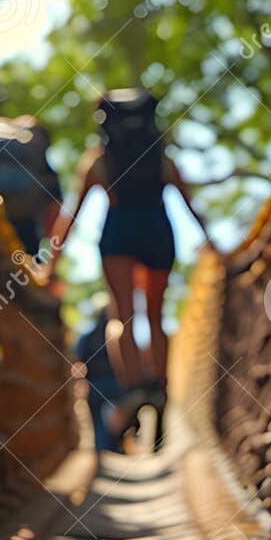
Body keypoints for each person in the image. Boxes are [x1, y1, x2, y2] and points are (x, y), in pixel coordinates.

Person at [51, 89, 207, 425]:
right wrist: (212, 243)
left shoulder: (100, 160)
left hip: (119, 232)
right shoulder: (160, 157)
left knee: (122, 318)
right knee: (155, 316)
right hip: (157, 230)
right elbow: (189, 204)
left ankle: (135, 388)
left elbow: (72, 217)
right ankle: (160, 390)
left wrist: (50, 261)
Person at [0, 115, 62, 260]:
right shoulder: (41, 167)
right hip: (27, 230)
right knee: (22, 272)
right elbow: (53, 213)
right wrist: (51, 261)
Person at [73, 294, 124, 452]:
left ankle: (105, 449)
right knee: (108, 419)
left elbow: (78, 362)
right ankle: (108, 449)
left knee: (105, 420)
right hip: (106, 384)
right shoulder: (116, 333)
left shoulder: (87, 337)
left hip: (103, 384)